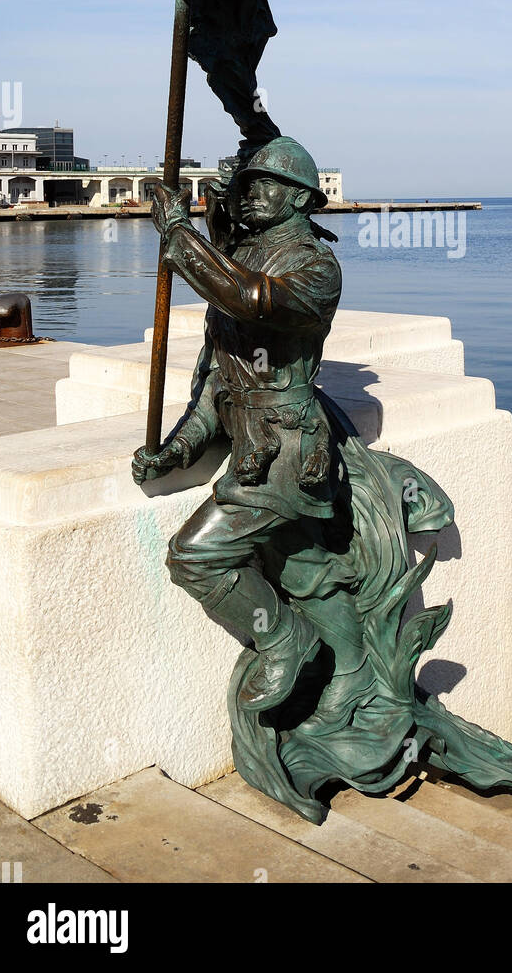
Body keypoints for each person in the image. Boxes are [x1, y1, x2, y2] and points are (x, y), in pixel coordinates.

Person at [132, 136, 342, 712]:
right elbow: (217, 389)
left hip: (287, 450)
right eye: (245, 187)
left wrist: (181, 238)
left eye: (266, 185)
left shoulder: (315, 266)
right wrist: (174, 452)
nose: (250, 196)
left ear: (301, 199)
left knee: (193, 556)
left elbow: (252, 299)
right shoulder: (243, 258)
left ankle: (285, 641)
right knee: (312, 578)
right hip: (251, 443)